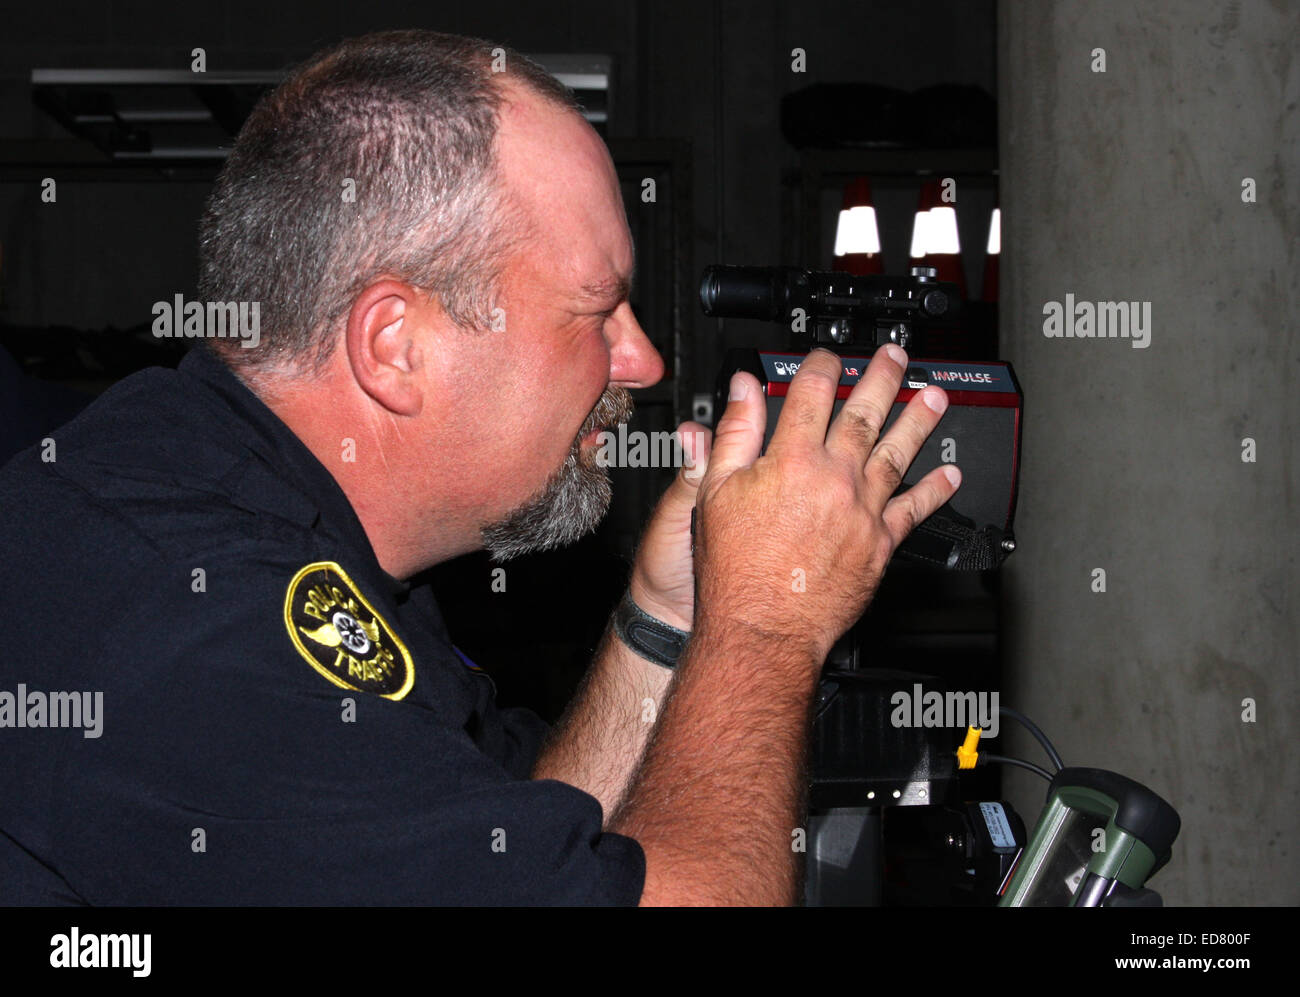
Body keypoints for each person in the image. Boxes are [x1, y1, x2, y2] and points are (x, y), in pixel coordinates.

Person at [0, 30, 960, 906]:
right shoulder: (202, 632)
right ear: (397, 346)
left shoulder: (265, 507)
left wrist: (668, 619)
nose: (644, 362)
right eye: (597, 311)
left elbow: (510, 852)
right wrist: (766, 623)